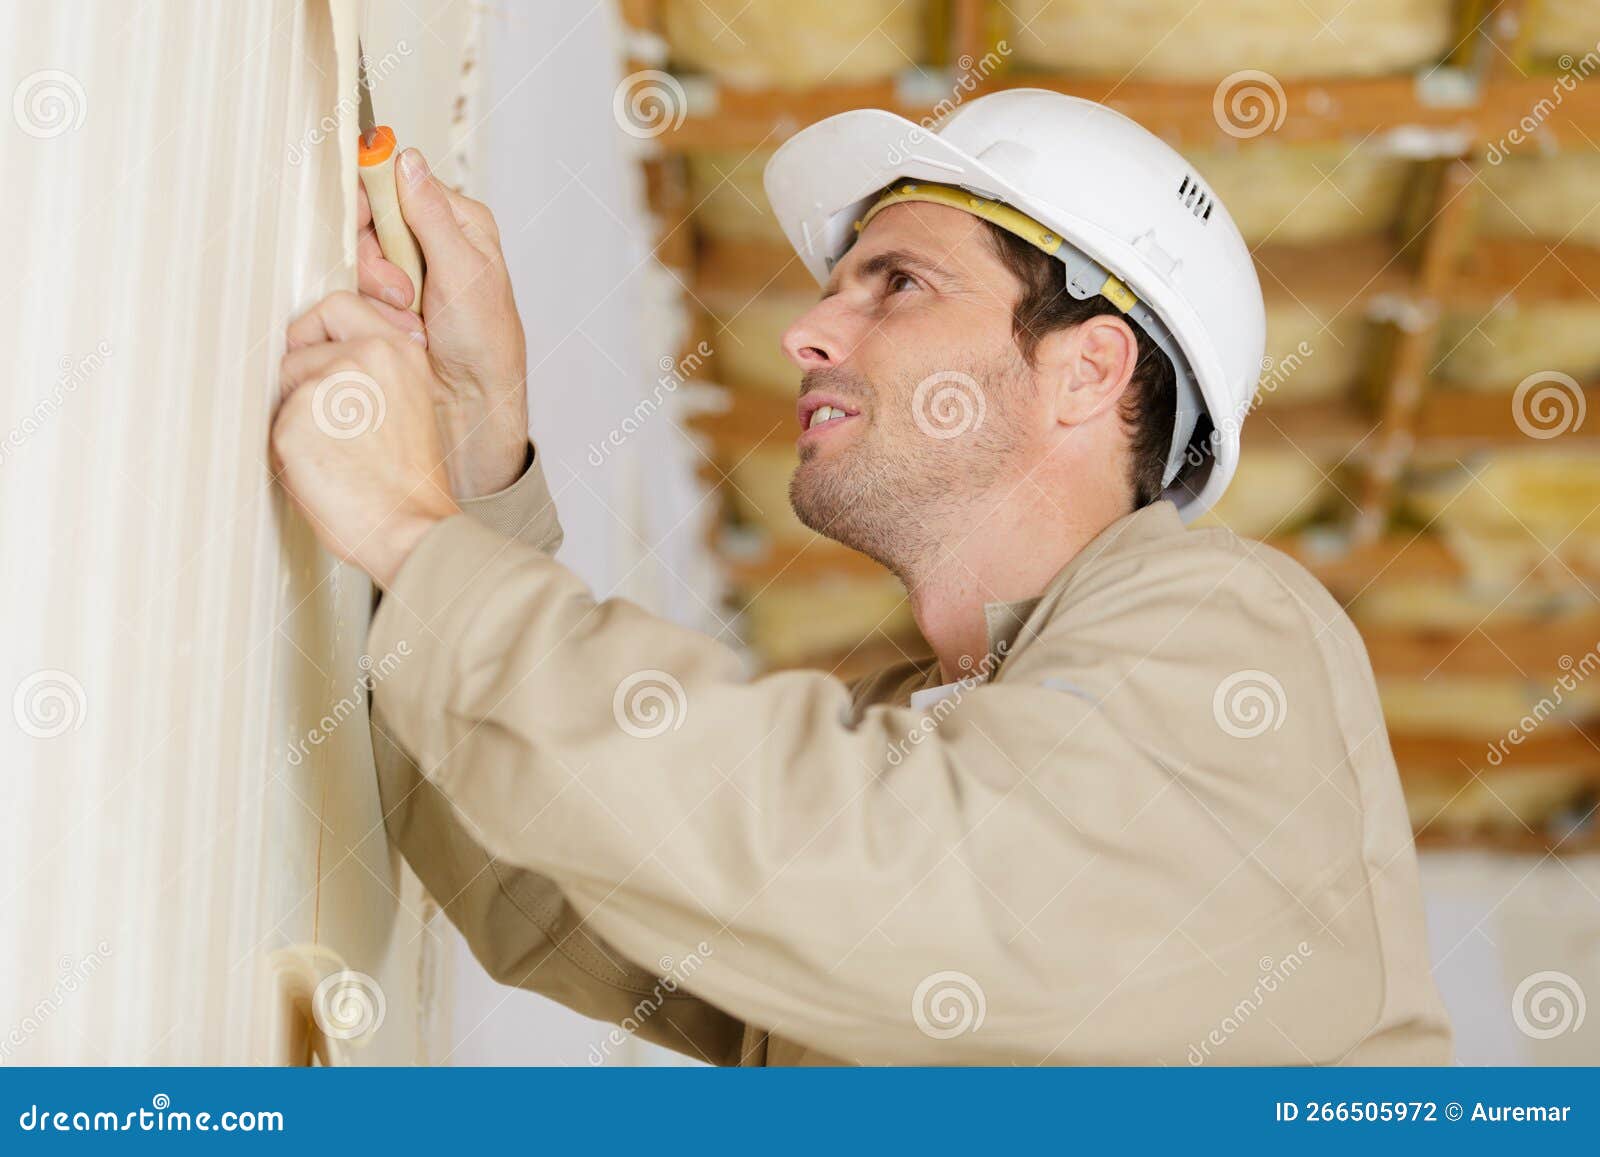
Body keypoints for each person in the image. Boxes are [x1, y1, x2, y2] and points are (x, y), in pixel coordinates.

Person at [271, 91, 1452, 1065]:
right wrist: (477, 454)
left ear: (1088, 369)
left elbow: (896, 874)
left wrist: (414, 531)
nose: (807, 331)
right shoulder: (919, 753)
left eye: (896, 283)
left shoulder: (1233, 631)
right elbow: (555, 881)